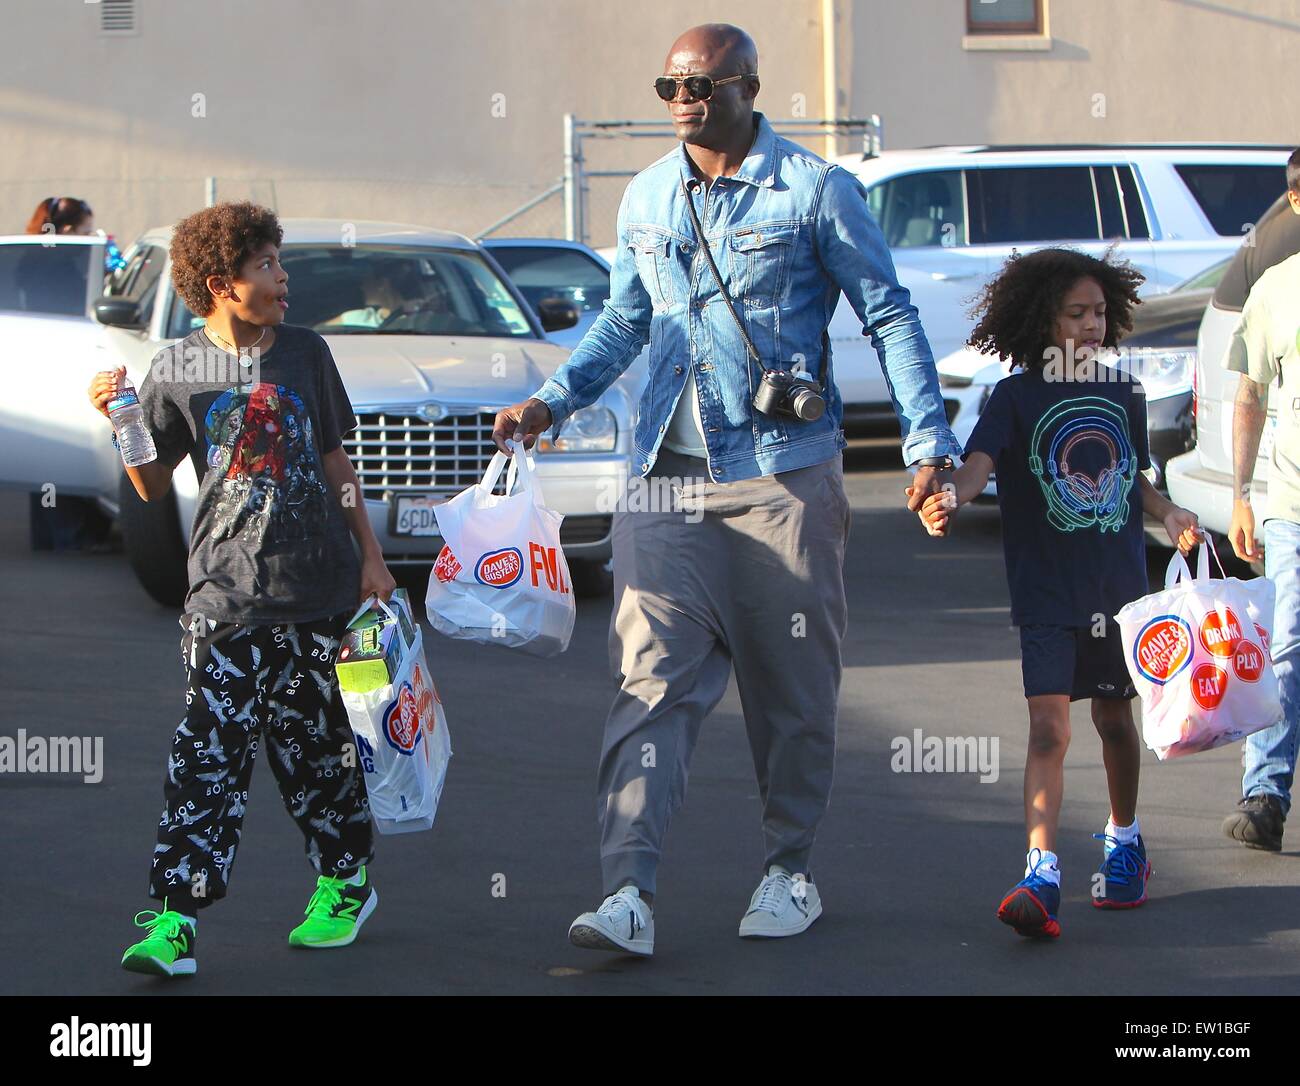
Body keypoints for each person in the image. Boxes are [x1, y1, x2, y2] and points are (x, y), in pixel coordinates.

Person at [492, 24, 960, 957]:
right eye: (669, 83)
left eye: (699, 84)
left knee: (792, 689)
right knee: (648, 686)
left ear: (750, 87)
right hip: (665, 482)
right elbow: (625, 321)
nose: (681, 97)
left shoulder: (818, 191)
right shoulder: (646, 194)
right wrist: (550, 402)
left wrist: (927, 443)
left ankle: (789, 868)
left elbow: (890, 314)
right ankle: (627, 892)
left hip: (784, 477)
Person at [85, 201, 396, 977]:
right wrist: (122, 417)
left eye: (280, 263)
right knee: (205, 758)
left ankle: (344, 883)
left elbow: (334, 465)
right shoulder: (178, 368)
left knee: (317, 755)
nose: (284, 279)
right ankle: (173, 920)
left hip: (318, 595)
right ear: (224, 284)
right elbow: (153, 485)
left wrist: (372, 557)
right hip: (222, 600)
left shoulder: (306, 356)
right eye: (269, 266)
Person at [917, 248, 1201, 939]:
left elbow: (1134, 479)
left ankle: (1124, 838)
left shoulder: (1121, 393)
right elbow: (980, 464)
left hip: (1118, 590)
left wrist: (1169, 514)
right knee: (1049, 727)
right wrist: (950, 494)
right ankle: (1041, 871)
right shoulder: (1013, 397)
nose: (1092, 325)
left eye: (1100, 312)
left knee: (1113, 722)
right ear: (1043, 319)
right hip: (1046, 590)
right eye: (1077, 313)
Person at [1222, 149, 1300, 851]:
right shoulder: (1274, 290)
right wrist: (1240, 497)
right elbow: (1248, 397)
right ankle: (1264, 797)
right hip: (1291, 505)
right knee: (1282, 648)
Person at [24, 196, 115, 551]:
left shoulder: (34, 262)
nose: (91, 239)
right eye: (85, 232)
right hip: (54, 363)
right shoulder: (56, 266)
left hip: (42, 363)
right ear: (64, 231)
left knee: (47, 449)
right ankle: (67, 534)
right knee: (59, 448)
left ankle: (56, 533)